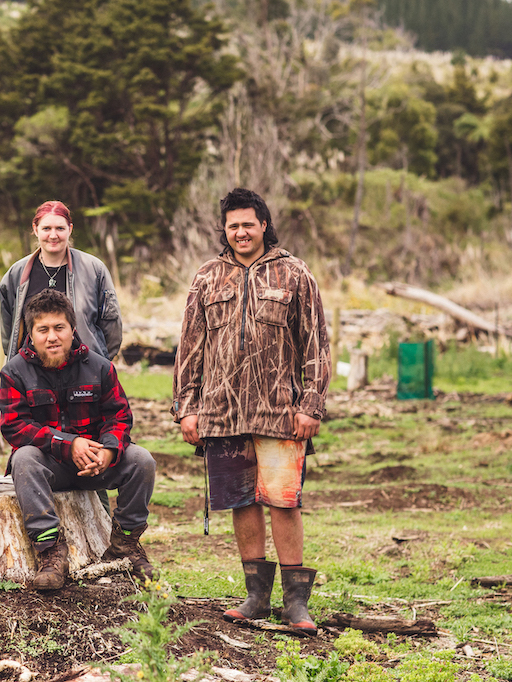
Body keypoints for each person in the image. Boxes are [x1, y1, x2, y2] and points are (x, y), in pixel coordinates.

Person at [172, 188, 330, 635]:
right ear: (224, 230)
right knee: (240, 501)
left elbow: (316, 343)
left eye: (248, 223)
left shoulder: (295, 274)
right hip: (221, 413)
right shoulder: (206, 277)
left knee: (283, 500)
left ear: (264, 224)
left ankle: (296, 604)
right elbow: (189, 348)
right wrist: (187, 408)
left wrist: (311, 403)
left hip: (281, 411)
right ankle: (256, 596)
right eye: (232, 225)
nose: (241, 232)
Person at [0, 289, 155, 590]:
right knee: (23, 458)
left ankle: (126, 545)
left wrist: (109, 450)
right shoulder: (14, 372)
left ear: (73, 329)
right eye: (42, 330)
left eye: (59, 328)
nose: (52, 337)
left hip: (96, 465)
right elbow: (14, 426)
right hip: (51, 467)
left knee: (141, 460)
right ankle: (51, 553)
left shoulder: (100, 367)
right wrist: (68, 444)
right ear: (31, 334)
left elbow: (118, 417)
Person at [0, 200, 122, 361]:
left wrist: (98, 363)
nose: (53, 235)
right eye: (46, 228)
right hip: (32, 373)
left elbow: (111, 328)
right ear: (35, 229)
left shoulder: (94, 270)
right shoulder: (16, 274)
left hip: (83, 370)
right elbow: (9, 330)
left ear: (70, 229)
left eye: (60, 228)